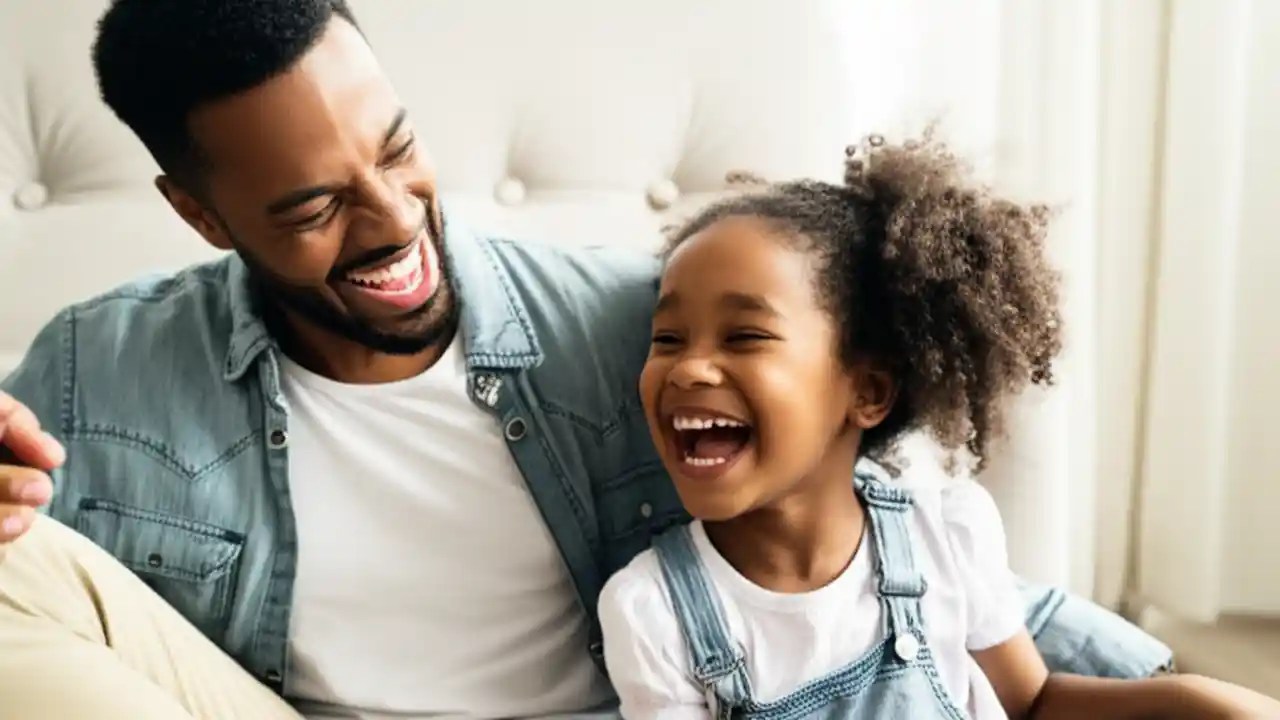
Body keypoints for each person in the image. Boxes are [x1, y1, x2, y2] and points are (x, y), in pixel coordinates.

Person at [0, 0, 1179, 718]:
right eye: (312, 209)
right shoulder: (95, 368)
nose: (393, 224)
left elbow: (883, 550)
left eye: (398, 152)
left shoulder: (642, 334)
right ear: (202, 213)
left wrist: (1162, 679)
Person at [597, 137, 1280, 719]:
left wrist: (1199, 700)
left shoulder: (943, 537)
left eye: (744, 335)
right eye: (668, 339)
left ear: (865, 392)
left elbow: (1032, 703)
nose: (688, 369)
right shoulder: (655, 614)